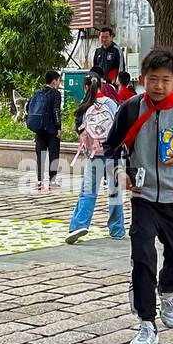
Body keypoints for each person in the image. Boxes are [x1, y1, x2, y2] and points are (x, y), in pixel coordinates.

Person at [103, 45, 173, 344]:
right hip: (144, 196)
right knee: (143, 256)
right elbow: (111, 147)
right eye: (152, 79)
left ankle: (169, 289)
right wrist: (120, 171)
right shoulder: (131, 108)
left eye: (165, 80)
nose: (158, 86)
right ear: (142, 79)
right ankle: (147, 324)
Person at [67, 74, 125, 243]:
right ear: (102, 85)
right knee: (115, 193)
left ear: (86, 87)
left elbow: (79, 129)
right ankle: (117, 229)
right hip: (113, 153)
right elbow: (120, 127)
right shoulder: (111, 103)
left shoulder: (85, 105)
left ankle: (78, 226)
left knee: (88, 191)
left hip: (94, 155)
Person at [30, 69, 63, 191]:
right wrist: (58, 127)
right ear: (54, 81)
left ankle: (39, 181)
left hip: (39, 128)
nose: (59, 83)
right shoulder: (55, 94)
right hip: (51, 129)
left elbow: (29, 107)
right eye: (59, 80)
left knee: (40, 155)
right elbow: (56, 111)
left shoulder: (37, 93)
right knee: (54, 155)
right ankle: (52, 182)